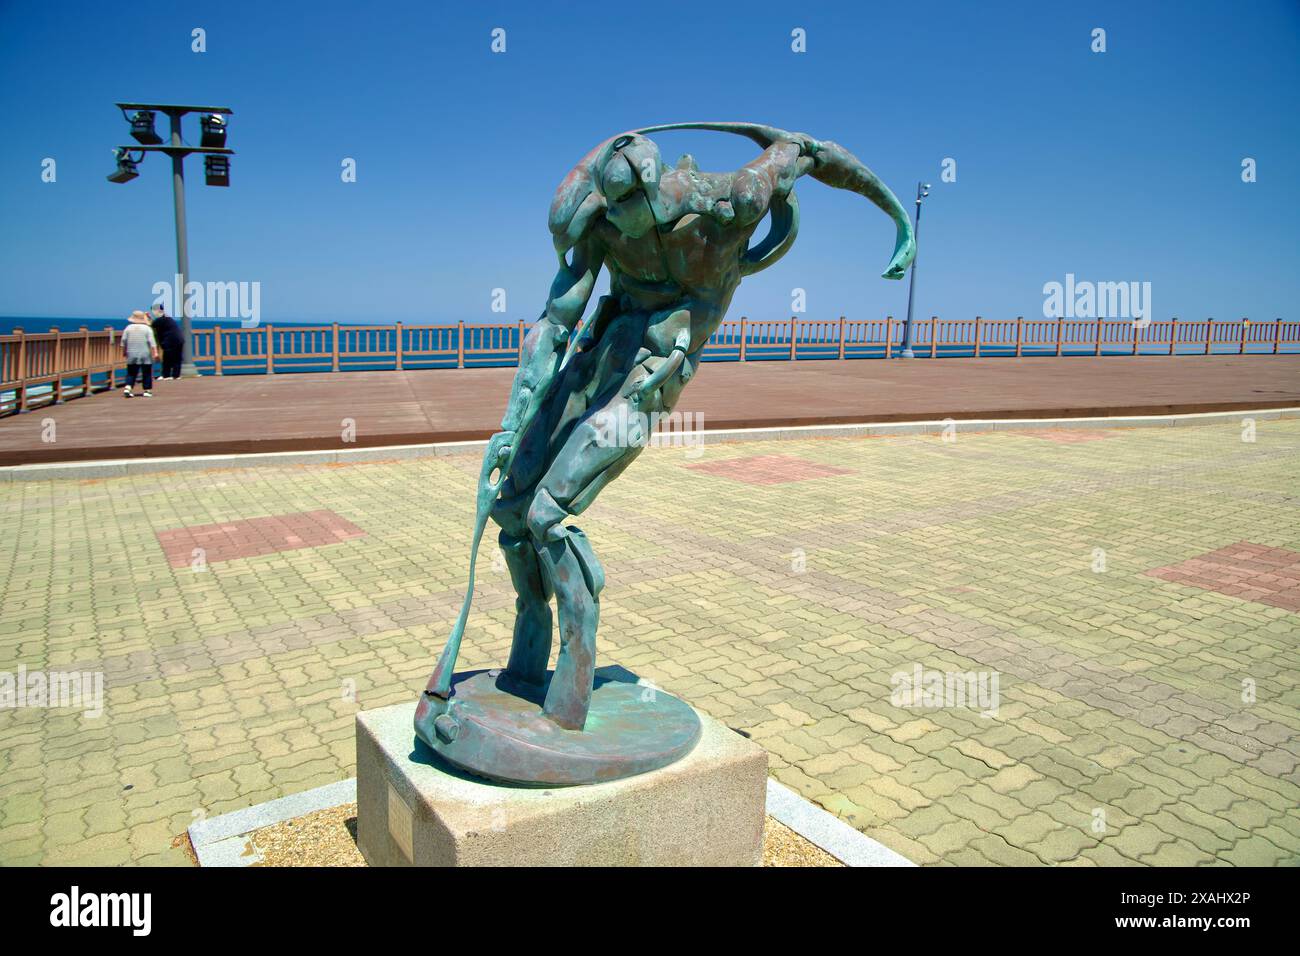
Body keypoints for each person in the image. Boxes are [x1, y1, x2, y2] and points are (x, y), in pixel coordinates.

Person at [120, 310, 159, 398]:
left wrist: (124, 352)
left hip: (131, 353)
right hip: (144, 353)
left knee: (131, 372)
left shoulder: (128, 328)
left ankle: (128, 387)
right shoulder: (147, 329)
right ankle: (147, 390)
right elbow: (152, 342)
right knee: (146, 372)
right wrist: (155, 353)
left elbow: (123, 341)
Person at [151, 304, 184, 380]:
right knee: (177, 358)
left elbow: (152, 324)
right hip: (178, 339)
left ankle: (166, 375)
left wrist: (146, 318)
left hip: (170, 340)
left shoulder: (162, 318)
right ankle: (176, 375)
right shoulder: (167, 317)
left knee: (167, 358)